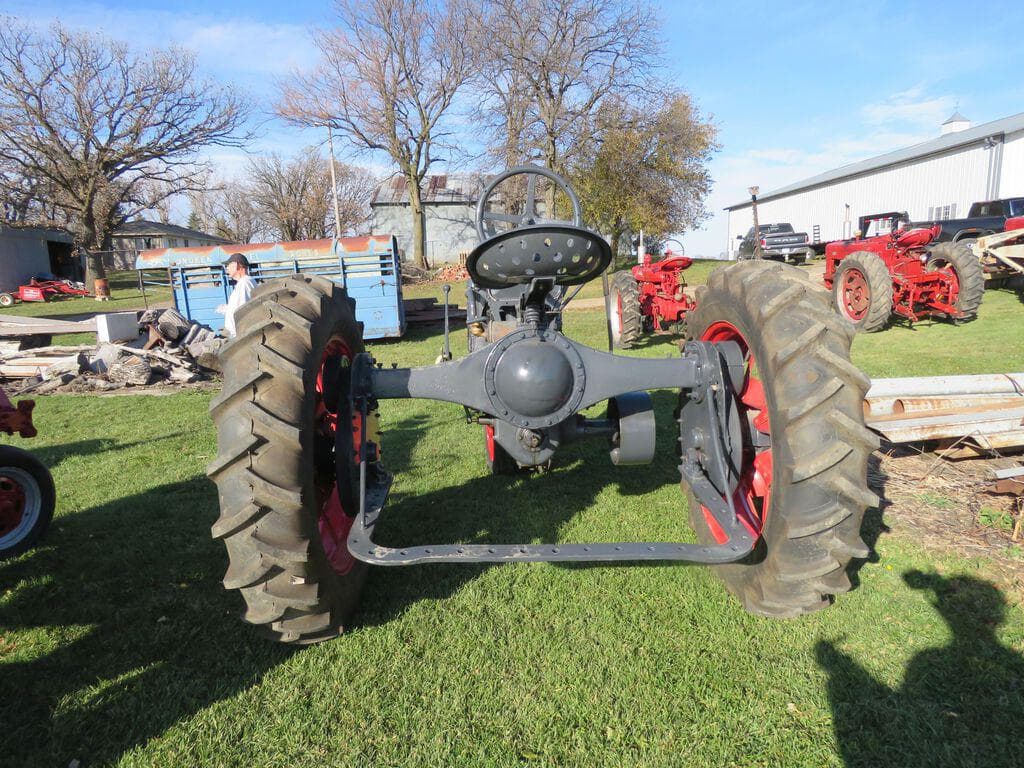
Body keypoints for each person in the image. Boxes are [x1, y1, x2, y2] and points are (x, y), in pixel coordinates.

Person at [216, 253, 256, 337]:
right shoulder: (243, 283)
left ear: (237, 265)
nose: (227, 268)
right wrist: (227, 309)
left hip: (238, 335)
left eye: (228, 265)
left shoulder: (245, 283)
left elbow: (242, 310)